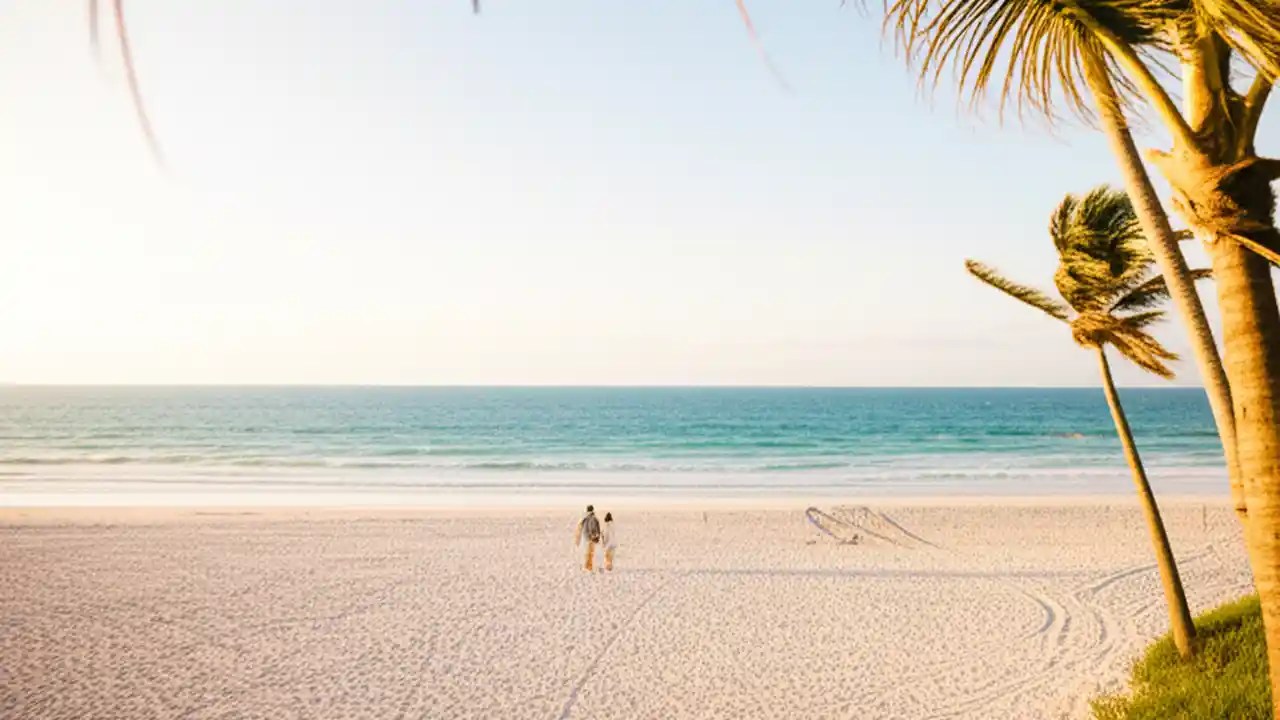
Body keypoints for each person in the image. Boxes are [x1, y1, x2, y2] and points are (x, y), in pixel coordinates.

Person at [574, 505, 601, 571]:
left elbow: (580, 528)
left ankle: (587, 566)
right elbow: (593, 528)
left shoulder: (584, 518)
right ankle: (588, 567)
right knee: (590, 553)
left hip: (585, 537)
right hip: (591, 538)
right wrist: (596, 536)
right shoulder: (593, 518)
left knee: (587, 552)